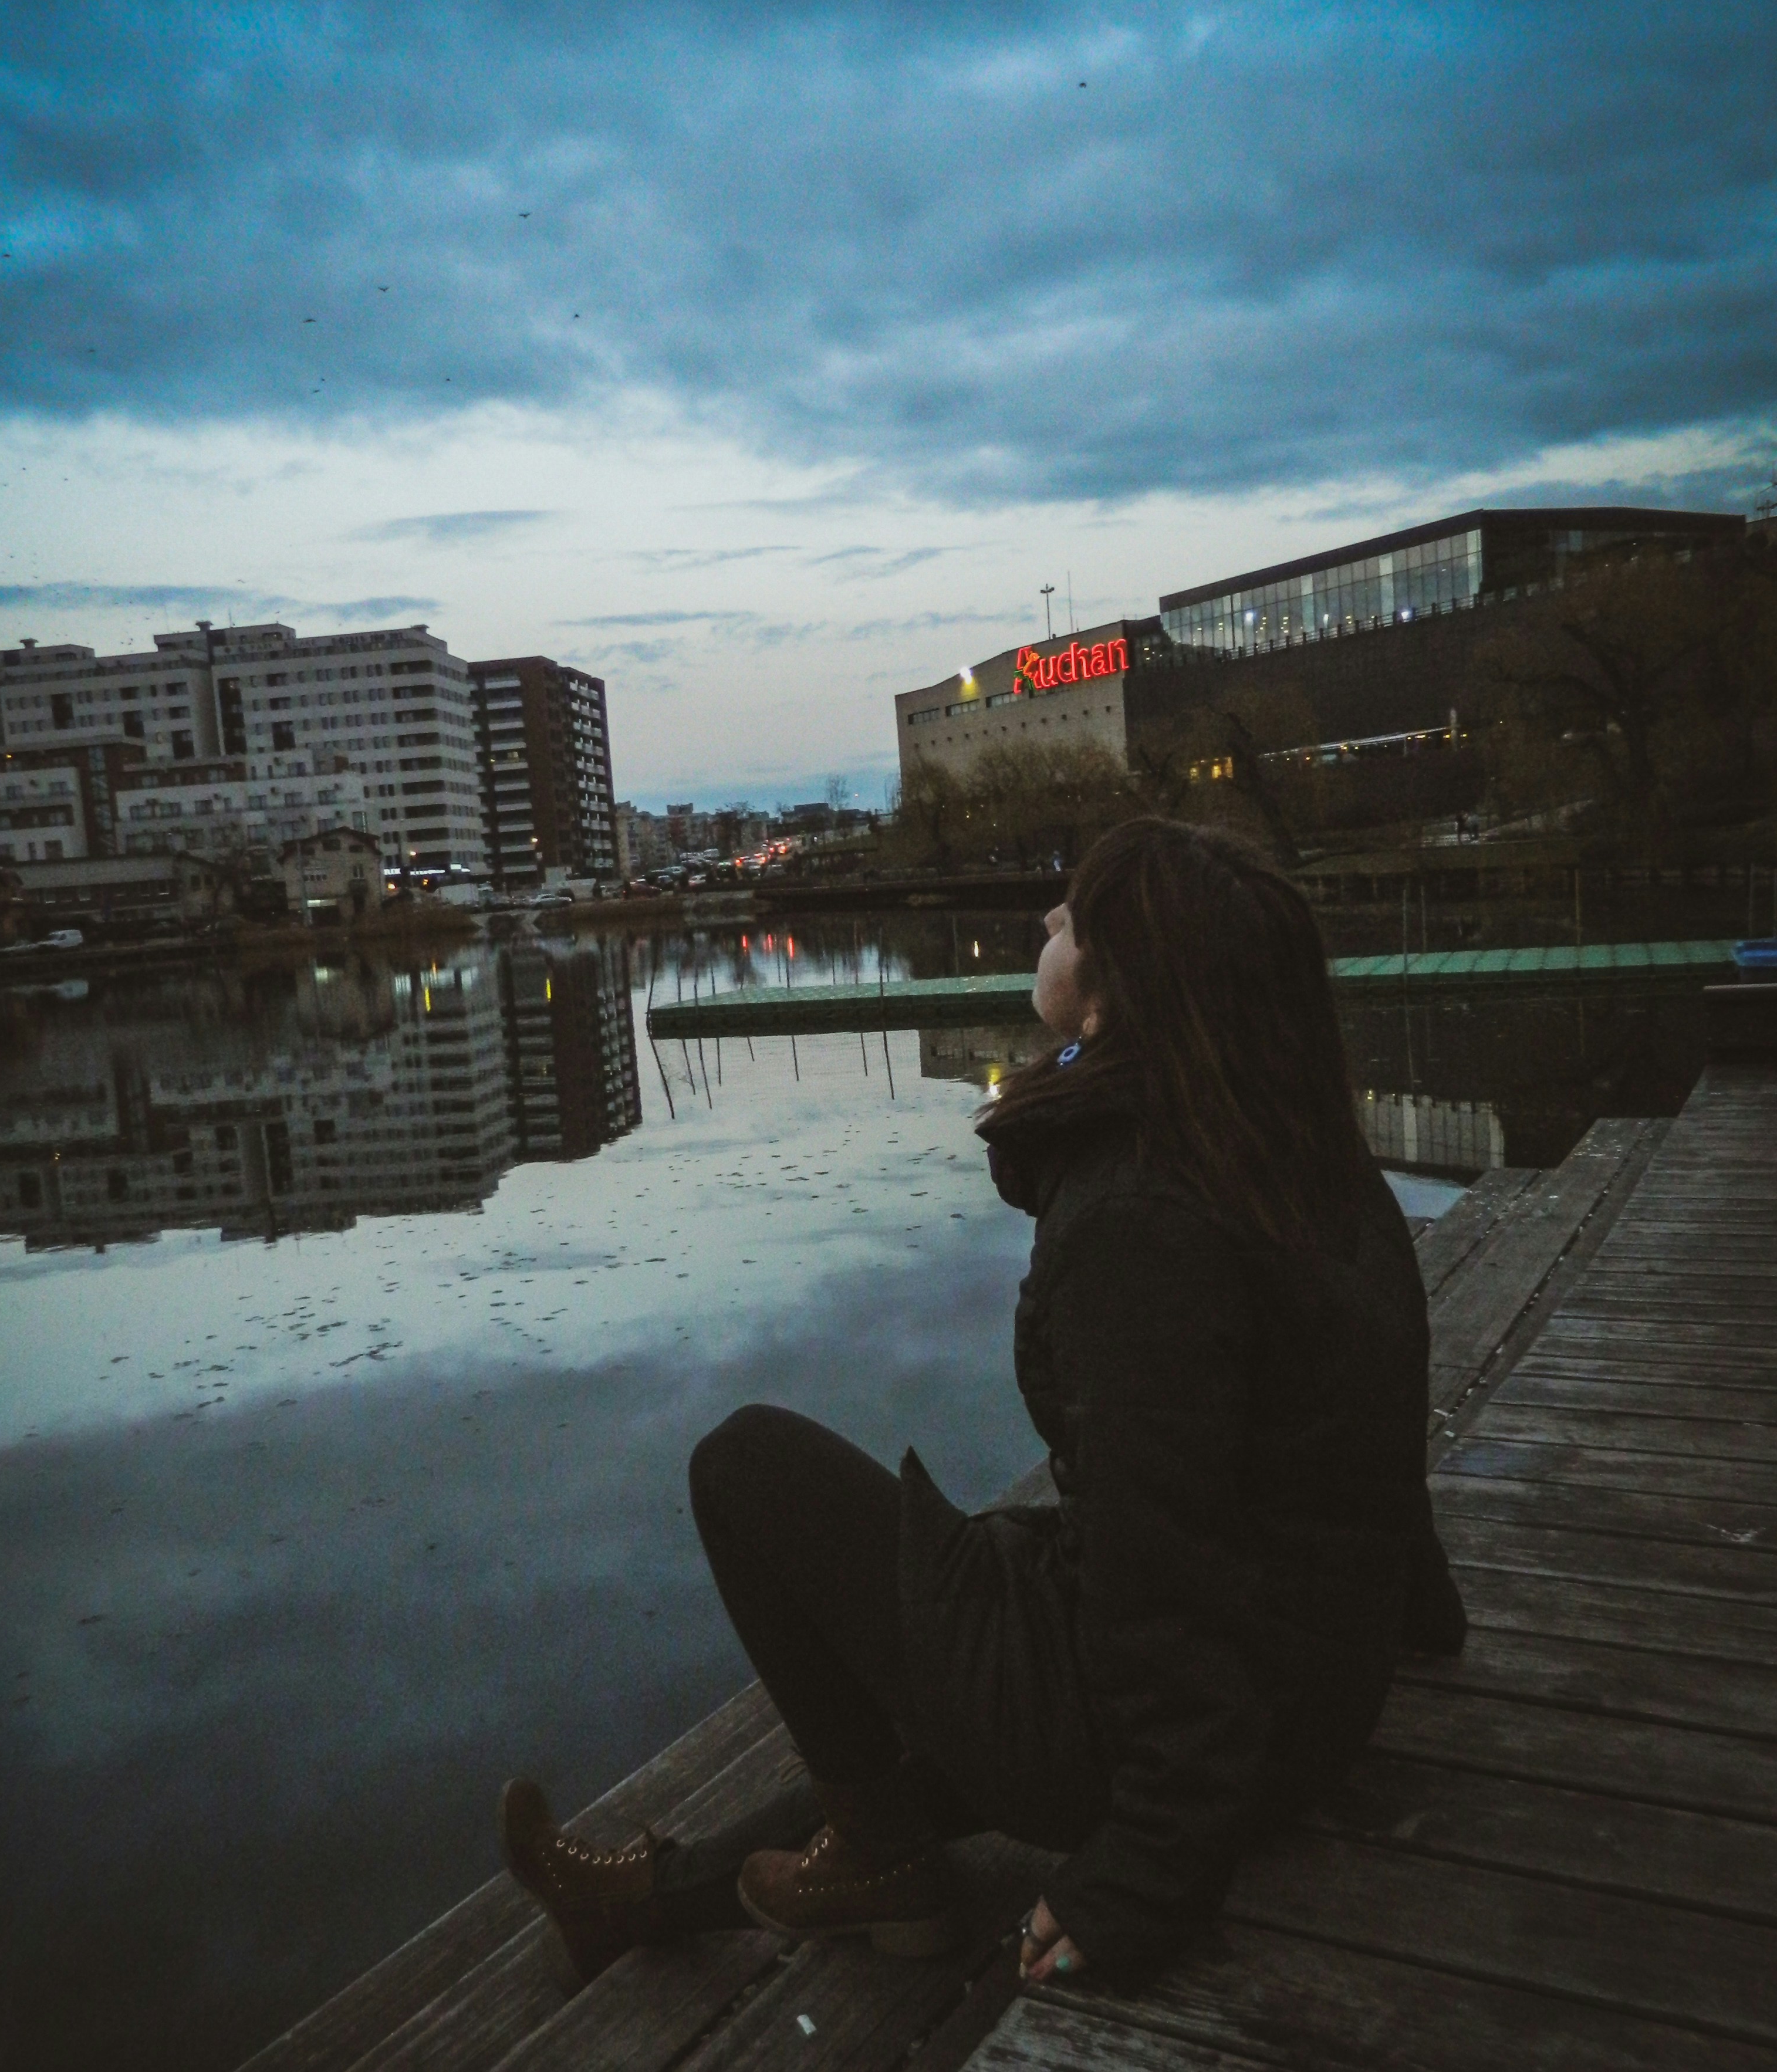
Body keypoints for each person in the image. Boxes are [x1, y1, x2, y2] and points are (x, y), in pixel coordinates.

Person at [499, 816, 1467, 1994]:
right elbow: (1355, 1433)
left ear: (1115, 994)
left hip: (1220, 1731)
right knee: (980, 1595)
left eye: (1072, 916)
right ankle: (650, 1900)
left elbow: (1163, 1570)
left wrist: (1149, 1870)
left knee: (746, 1467)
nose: (1048, 924)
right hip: (1307, 1694)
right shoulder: (1299, 1151)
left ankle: (872, 1864)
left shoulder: (1139, 1218)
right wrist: (1413, 1610)